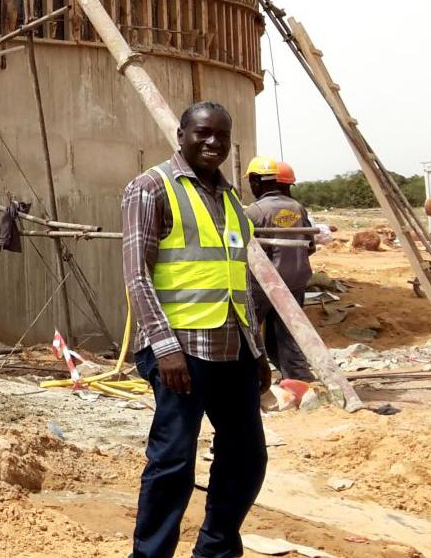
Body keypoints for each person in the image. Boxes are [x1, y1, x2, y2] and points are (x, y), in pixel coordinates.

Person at [122, 101, 270, 558]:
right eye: (203, 132)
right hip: (180, 350)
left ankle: (215, 551)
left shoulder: (231, 199)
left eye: (222, 135)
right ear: (182, 134)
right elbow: (137, 275)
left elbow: (238, 279)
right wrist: (165, 349)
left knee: (247, 456)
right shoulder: (152, 187)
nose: (213, 142)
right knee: (173, 461)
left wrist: (257, 350)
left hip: (232, 347)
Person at [245, 158, 316, 382]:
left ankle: (248, 381)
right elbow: (310, 246)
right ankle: (299, 380)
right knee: (288, 335)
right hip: (296, 281)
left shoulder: (254, 212)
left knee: (247, 333)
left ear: (257, 181)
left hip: (263, 285)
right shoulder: (297, 208)